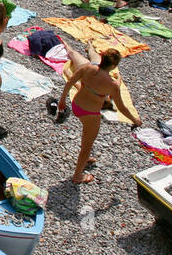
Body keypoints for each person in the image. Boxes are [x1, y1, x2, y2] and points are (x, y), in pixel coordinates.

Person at [58, 47, 140, 183]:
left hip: (76, 105)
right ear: (113, 66)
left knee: (86, 138)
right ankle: (78, 176)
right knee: (87, 145)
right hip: (90, 113)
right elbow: (121, 107)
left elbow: (70, 82)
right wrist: (135, 120)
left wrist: (62, 100)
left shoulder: (88, 68)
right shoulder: (111, 84)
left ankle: (84, 158)